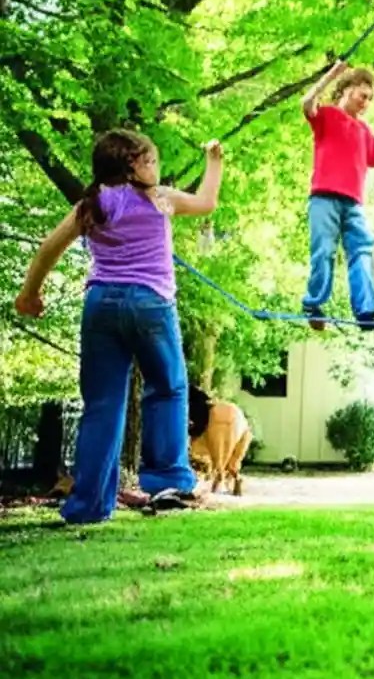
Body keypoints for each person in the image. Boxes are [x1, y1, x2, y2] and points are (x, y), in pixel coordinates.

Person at [14, 129, 224, 524]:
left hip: (101, 308)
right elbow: (207, 202)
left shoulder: (91, 204)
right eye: (152, 161)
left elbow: (48, 248)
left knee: (102, 406)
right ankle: (165, 483)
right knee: (166, 388)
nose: (157, 168)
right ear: (134, 166)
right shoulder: (160, 198)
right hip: (151, 306)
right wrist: (215, 162)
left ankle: (88, 505)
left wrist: (30, 295)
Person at [299, 60, 374, 332]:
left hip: (353, 203)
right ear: (346, 90)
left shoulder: (365, 132)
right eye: (362, 95)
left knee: (363, 250)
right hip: (324, 198)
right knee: (323, 251)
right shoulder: (328, 116)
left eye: (370, 99)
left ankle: (366, 311)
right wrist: (331, 75)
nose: (366, 102)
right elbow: (307, 102)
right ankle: (313, 303)